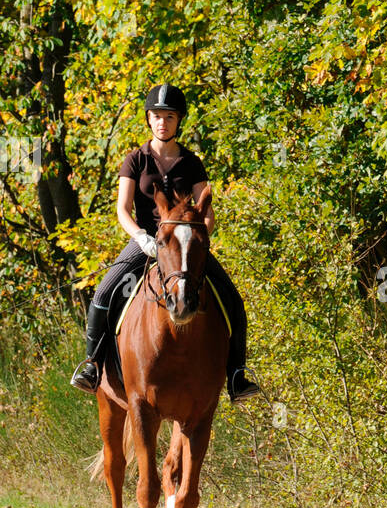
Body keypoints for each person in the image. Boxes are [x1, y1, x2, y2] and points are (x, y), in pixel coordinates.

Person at [70, 84, 259, 403]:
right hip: (146, 241)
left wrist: (200, 239)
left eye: (169, 116)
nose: (162, 122)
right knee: (105, 291)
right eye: (157, 116)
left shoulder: (191, 163)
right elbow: (122, 209)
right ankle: (91, 365)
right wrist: (141, 237)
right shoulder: (135, 160)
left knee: (231, 296)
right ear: (149, 119)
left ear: (178, 121)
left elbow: (206, 212)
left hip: (186, 247)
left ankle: (236, 374)